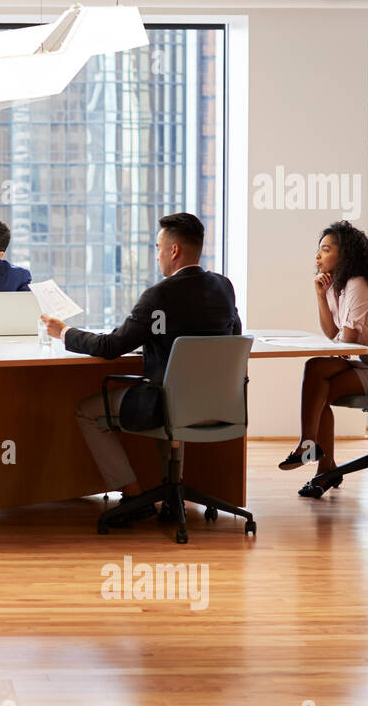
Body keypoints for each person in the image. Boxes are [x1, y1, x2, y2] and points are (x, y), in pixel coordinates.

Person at [41, 212, 241, 524]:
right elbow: (233, 335)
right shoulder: (223, 287)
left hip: (168, 404)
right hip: (219, 403)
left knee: (87, 412)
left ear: (173, 251)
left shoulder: (159, 295)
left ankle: (134, 494)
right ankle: (172, 497)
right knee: (177, 398)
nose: (157, 254)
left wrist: (64, 332)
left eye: (158, 247)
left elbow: (110, 348)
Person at [279, 220, 368, 496]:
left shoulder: (357, 284)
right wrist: (320, 295)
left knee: (315, 368)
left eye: (326, 250)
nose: (318, 256)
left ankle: (309, 445)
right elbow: (332, 333)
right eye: (319, 250)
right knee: (321, 386)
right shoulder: (336, 286)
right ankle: (325, 470)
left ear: (345, 255)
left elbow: (347, 343)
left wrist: (336, 349)